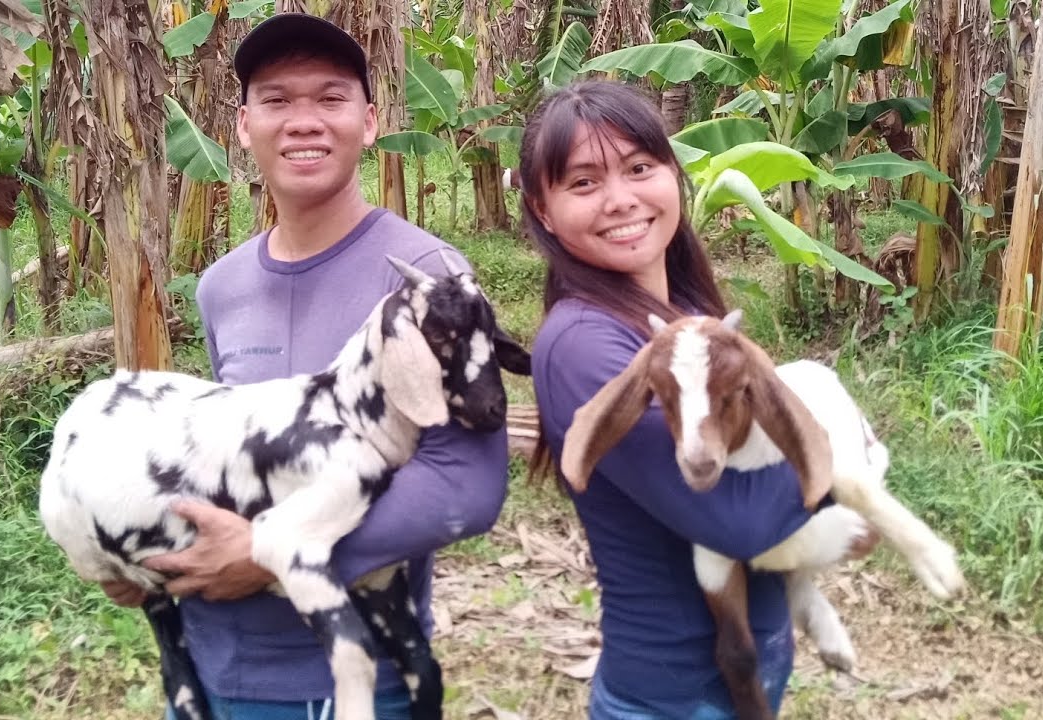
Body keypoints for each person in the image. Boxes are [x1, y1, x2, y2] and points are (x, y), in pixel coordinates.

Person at [99, 13, 512, 719]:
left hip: (349, 671)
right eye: (278, 100)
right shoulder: (221, 287)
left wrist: (264, 552)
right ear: (241, 125)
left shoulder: (425, 282)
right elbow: (226, 456)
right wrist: (138, 553)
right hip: (210, 661)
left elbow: (469, 484)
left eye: (330, 98)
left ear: (371, 121)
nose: (304, 121)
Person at [521, 80, 875, 719]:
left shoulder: (684, 319)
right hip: (673, 696)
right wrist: (847, 471)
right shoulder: (582, 344)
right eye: (582, 183)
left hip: (740, 672)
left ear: (672, 175)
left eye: (639, 168)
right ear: (542, 210)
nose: (620, 199)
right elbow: (737, 521)